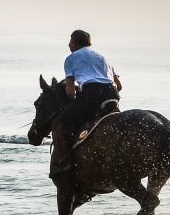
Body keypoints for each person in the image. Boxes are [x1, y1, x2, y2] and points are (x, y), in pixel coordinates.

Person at [50, 29, 122, 180]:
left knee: (58, 123)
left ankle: (66, 161)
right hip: (112, 95)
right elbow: (119, 85)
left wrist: (72, 102)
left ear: (75, 42)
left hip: (91, 94)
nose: (69, 44)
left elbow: (70, 91)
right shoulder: (102, 57)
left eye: (70, 41)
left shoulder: (71, 58)